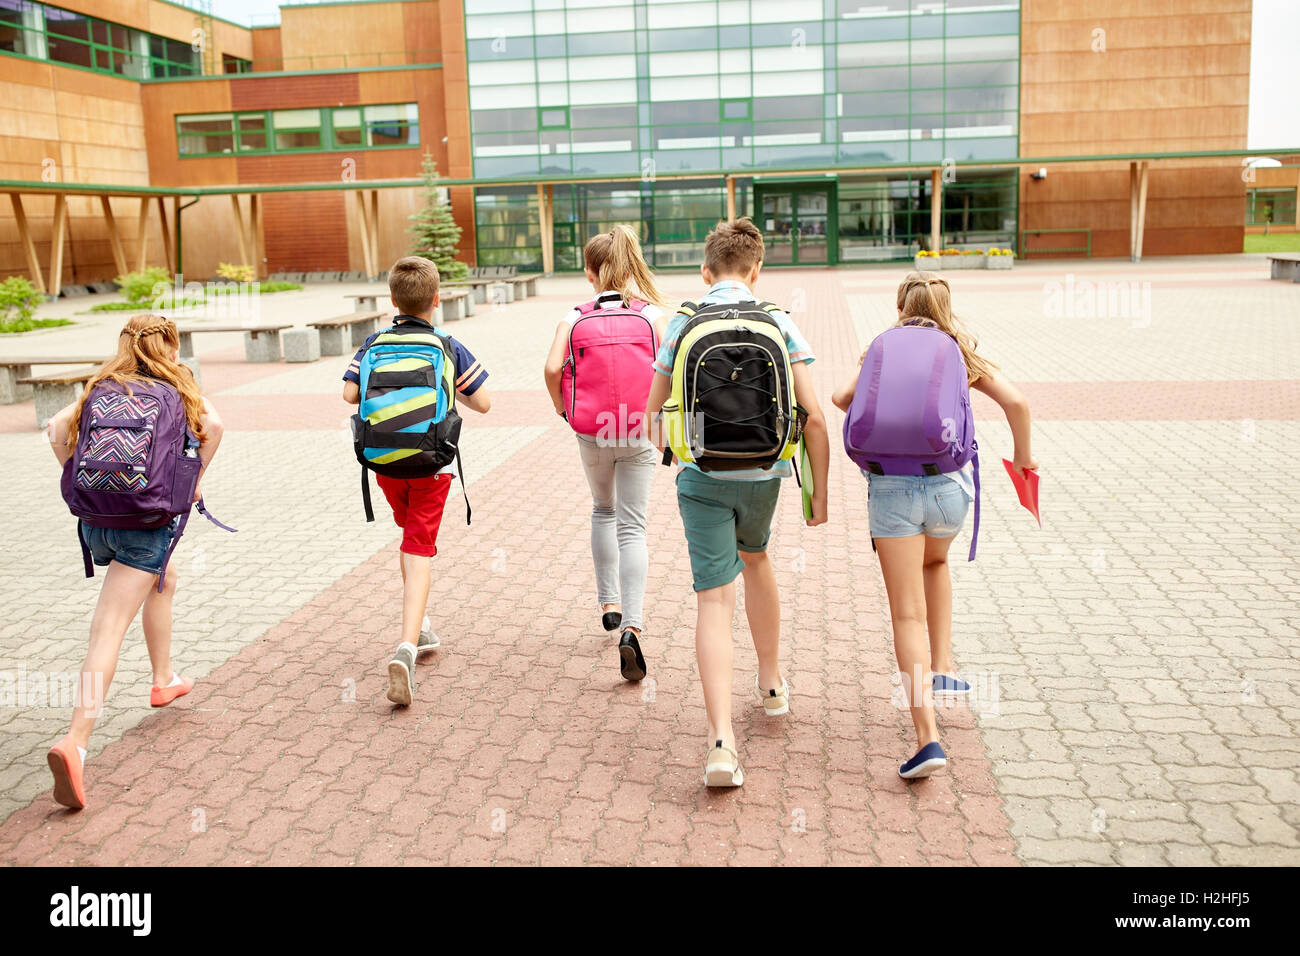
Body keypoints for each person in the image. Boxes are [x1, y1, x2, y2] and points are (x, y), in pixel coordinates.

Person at [644, 218, 829, 788]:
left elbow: (653, 414)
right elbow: (814, 415)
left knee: (713, 600)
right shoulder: (777, 319)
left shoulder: (682, 321)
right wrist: (817, 494)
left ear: (705, 272)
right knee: (758, 558)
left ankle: (721, 743)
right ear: (757, 269)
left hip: (702, 475)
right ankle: (772, 684)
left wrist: (674, 450)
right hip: (766, 473)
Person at [831, 271, 1036, 779]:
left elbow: (839, 399)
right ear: (945, 306)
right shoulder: (958, 351)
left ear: (900, 304)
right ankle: (942, 668)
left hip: (892, 490)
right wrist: (1023, 461)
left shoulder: (880, 348)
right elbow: (1018, 402)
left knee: (905, 615)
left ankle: (927, 740)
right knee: (937, 560)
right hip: (950, 487)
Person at [44, 314, 225, 810]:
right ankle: (75, 743)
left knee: (164, 578)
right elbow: (215, 426)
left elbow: (58, 427)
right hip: (145, 523)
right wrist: (193, 480)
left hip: (96, 521)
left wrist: (74, 473)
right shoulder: (177, 386)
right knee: (107, 631)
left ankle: (164, 679)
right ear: (168, 349)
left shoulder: (103, 382)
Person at [343, 256, 491, 706]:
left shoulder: (372, 343)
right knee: (419, 548)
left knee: (410, 541)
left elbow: (349, 393)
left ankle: (421, 625)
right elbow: (483, 402)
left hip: (384, 462)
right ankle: (406, 647)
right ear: (437, 298)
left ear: (392, 300)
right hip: (431, 464)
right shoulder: (447, 344)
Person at [543, 225, 669, 681]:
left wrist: (563, 410)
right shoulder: (654, 316)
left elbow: (553, 367)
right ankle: (632, 627)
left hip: (591, 430)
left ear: (590, 272)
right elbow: (669, 373)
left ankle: (609, 605)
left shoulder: (573, 318)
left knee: (603, 510)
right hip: (637, 429)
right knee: (634, 527)